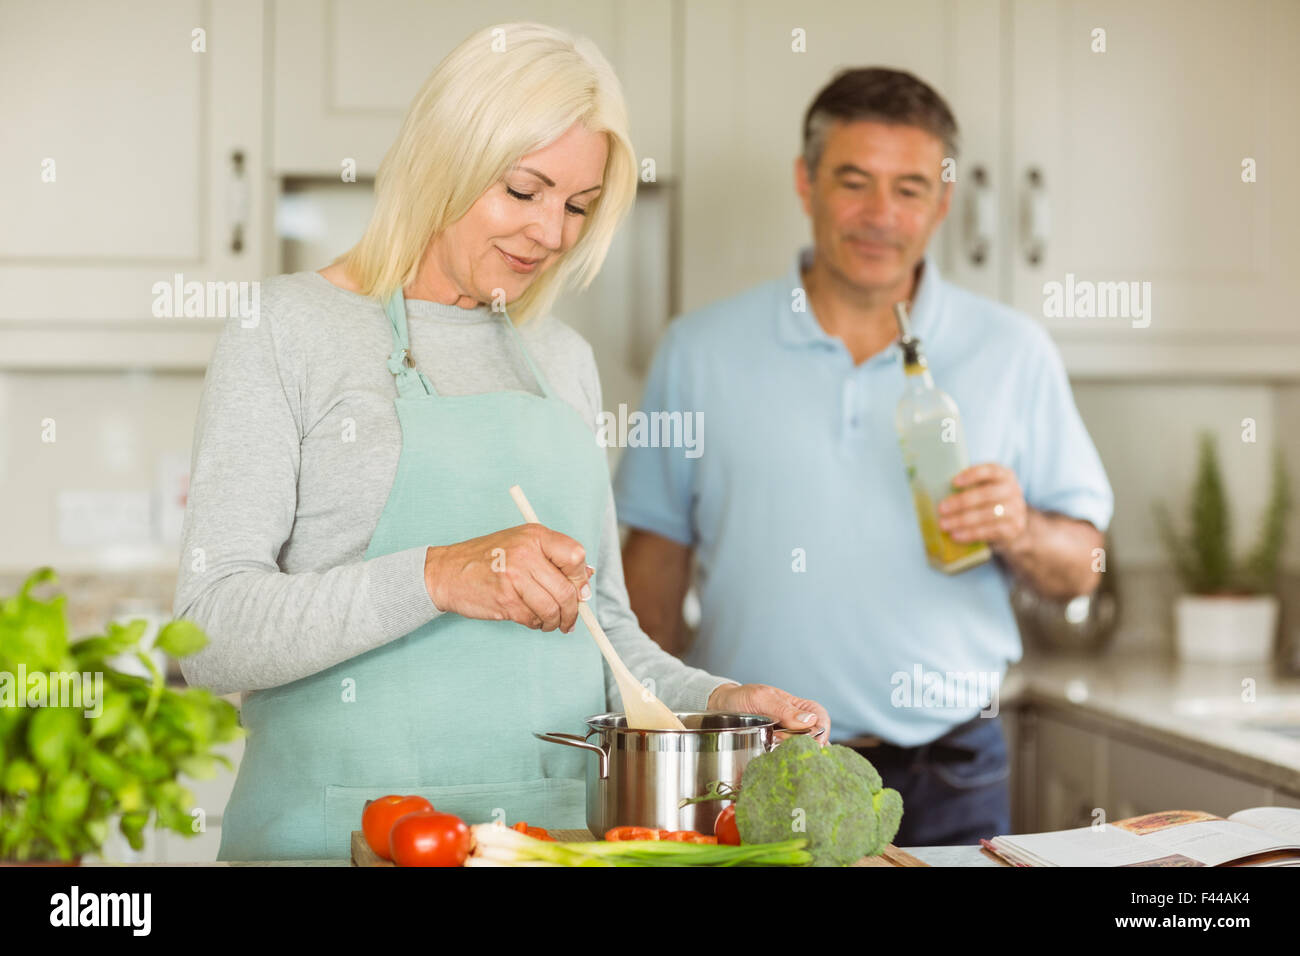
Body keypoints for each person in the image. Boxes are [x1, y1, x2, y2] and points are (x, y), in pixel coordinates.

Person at [173, 22, 829, 862]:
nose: (553, 233)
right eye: (524, 191)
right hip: (336, 839)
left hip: (547, 841)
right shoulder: (289, 328)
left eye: (578, 206)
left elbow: (608, 636)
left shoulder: (564, 360)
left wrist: (721, 700)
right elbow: (212, 634)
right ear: (446, 158)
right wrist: (441, 575)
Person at [614, 67, 1113, 847]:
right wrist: (648, 736)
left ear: (944, 201)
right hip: (756, 770)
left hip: (951, 774)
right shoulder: (700, 352)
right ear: (805, 181)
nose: (882, 215)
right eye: (854, 182)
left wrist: (1019, 529)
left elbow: (1084, 564)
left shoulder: (1013, 352)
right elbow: (652, 568)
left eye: (910, 188)